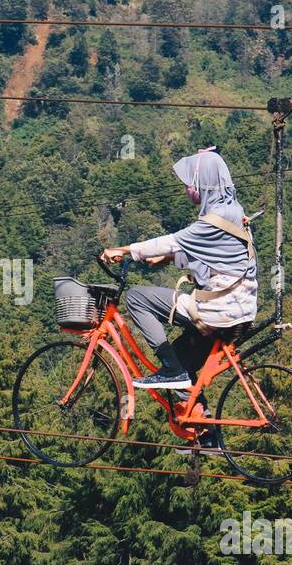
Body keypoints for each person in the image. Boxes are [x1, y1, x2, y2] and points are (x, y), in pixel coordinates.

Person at [99, 148, 259, 393]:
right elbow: (216, 255)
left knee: (136, 298)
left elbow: (171, 241)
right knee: (183, 368)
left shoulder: (214, 219)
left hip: (219, 311)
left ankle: (171, 370)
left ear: (203, 183)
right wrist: (171, 258)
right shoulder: (234, 211)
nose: (187, 189)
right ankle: (201, 424)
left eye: (190, 183)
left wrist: (122, 250)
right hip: (242, 311)